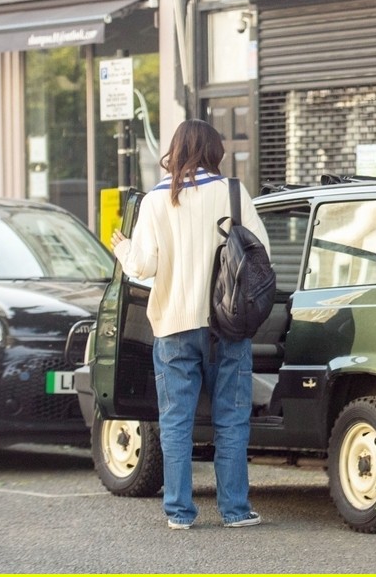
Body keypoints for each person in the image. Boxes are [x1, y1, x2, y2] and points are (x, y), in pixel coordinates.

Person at [110, 119, 269, 531]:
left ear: (176, 150)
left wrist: (124, 249)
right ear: (214, 150)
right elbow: (261, 253)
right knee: (231, 420)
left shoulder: (156, 201)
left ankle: (179, 512)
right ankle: (235, 511)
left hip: (174, 326)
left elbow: (144, 267)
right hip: (228, 326)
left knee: (176, 422)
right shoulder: (233, 192)